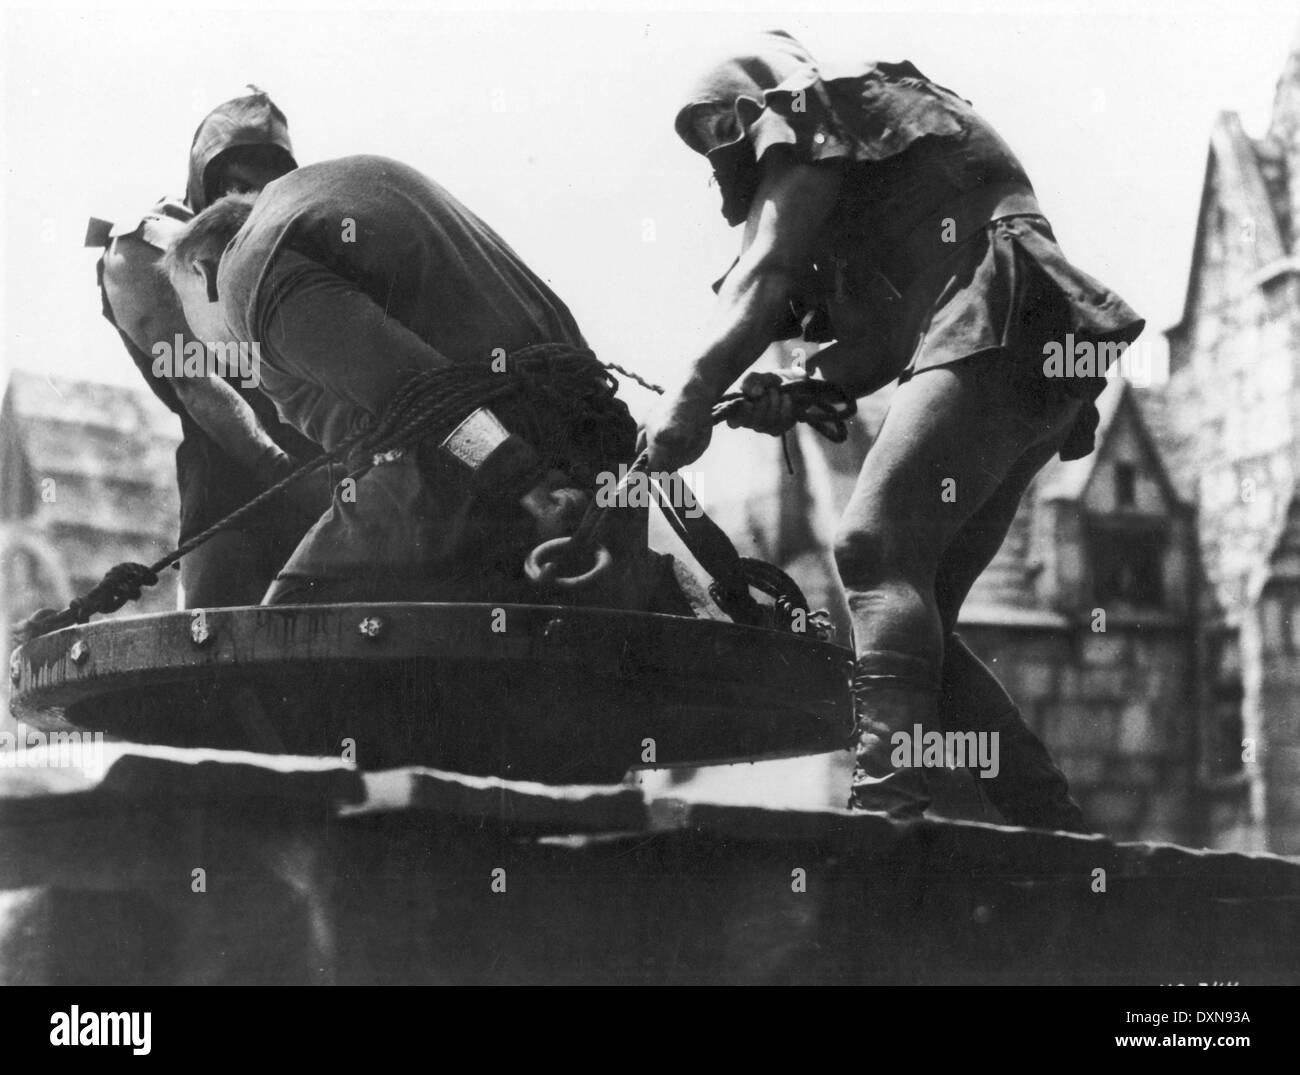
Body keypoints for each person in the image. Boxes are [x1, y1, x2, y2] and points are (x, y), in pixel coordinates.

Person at [642, 31, 1145, 830]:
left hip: (995, 310)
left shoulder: (815, 105)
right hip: (1027, 339)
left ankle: (885, 804)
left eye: (721, 127)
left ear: (757, 95)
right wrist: (802, 388)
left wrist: (691, 395)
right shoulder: (872, 146)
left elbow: (767, 275)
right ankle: (1055, 821)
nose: (721, 154)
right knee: (918, 614)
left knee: (872, 550)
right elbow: (881, 340)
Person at [160, 155, 689, 613]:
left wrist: (529, 484)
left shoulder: (244, 268)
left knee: (292, 612)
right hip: (597, 436)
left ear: (203, 272)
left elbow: (422, 394)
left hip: (495, 457)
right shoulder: (324, 199)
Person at [87, 89, 328, 608]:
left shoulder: (302, 241)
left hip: (333, 472)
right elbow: (194, 379)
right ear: (204, 180)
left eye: (265, 188)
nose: (248, 202)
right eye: (237, 185)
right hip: (231, 491)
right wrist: (287, 476)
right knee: (215, 656)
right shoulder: (140, 250)